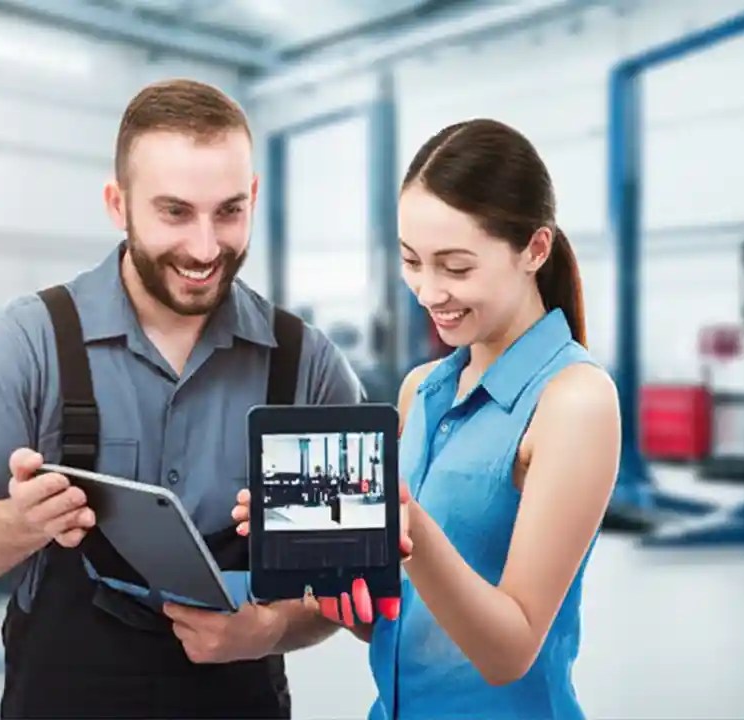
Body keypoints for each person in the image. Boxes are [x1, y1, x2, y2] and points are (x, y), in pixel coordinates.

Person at [0, 78, 364, 719]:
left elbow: (346, 583)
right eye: (175, 212)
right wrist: (17, 523)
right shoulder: (28, 343)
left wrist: (269, 629)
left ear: (254, 197)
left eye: (229, 212)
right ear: (118, 205)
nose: (205, 248)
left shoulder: (307, 367)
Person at [233, 118, 621, 719]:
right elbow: (409, 619)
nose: (427, 291)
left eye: (456, 267)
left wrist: (403, 525)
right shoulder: (422, 389)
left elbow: (508, 652)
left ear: (535, 249)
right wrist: (329, 564)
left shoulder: (574, 400)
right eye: (411, 261)